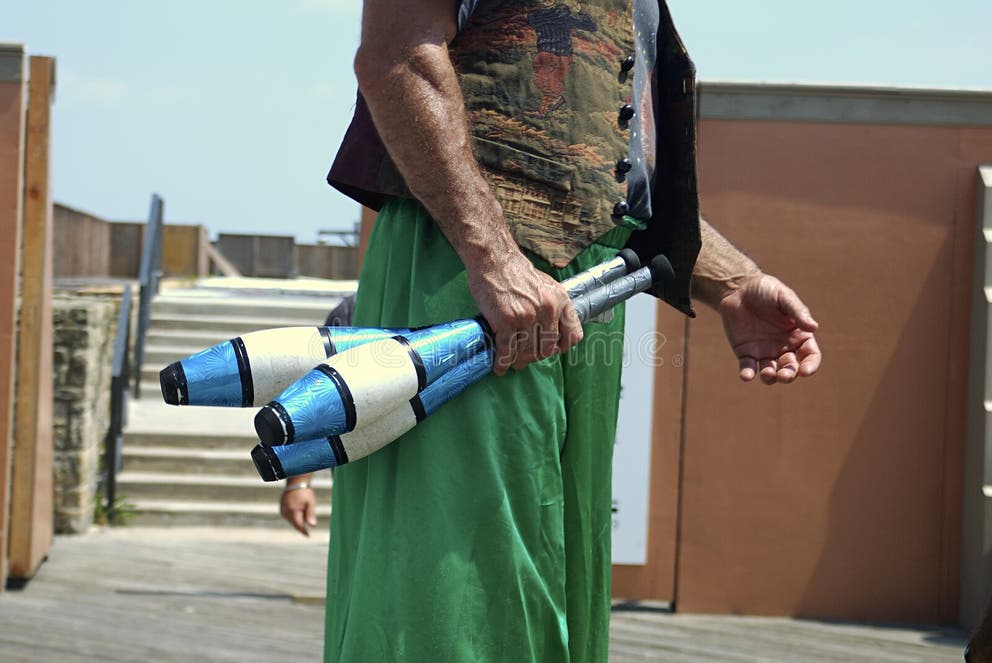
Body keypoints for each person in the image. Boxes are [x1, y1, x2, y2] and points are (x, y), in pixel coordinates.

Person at [286, 1, 822, 660]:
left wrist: (733, 282)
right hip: (463, 273)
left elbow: (602, 180)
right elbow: (398, 53)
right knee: (447, 591)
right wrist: (491, 256)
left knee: (565, 582)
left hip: (582, 293)